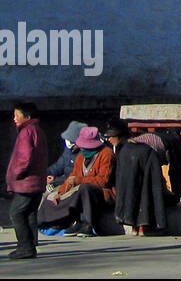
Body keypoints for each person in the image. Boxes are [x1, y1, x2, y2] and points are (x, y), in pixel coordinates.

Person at [37, 126, 115, 236]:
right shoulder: (80, 157)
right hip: (81, 188)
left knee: (84, 189)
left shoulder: (106, 154)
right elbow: (72, 177)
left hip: (102, 193)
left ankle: (86, 223)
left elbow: (103, 181)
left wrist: (80, 180)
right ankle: (56, 222)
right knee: (52, 195)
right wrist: (61, 192)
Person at [7, 102, 48, 259]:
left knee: (16, 213)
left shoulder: (26, 132)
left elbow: (24, 158)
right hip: (37, 181)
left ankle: (25, 247)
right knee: (29, 213)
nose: (14, 119)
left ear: (27, 116)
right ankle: (31, 246)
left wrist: (15, 174)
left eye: (17, 115)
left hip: (27, 182)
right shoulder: (38, 130)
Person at [113, 127, 171, 236]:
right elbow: (159, 182)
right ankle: (144, 226)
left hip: (130, 156)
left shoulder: (124, 148)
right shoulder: (167, 143)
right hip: (148, 156)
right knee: (147, 189)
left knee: (131, 187)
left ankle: (134, 225)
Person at [47, 120, 85, 187]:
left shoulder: (84, 154)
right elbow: (58, 167)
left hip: (75, 186)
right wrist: (45, 174)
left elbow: (78, 177)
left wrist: (56, 180)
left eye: (71, 141)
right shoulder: (68, 150)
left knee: (51, 196)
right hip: (64, 183)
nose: (68, 142)